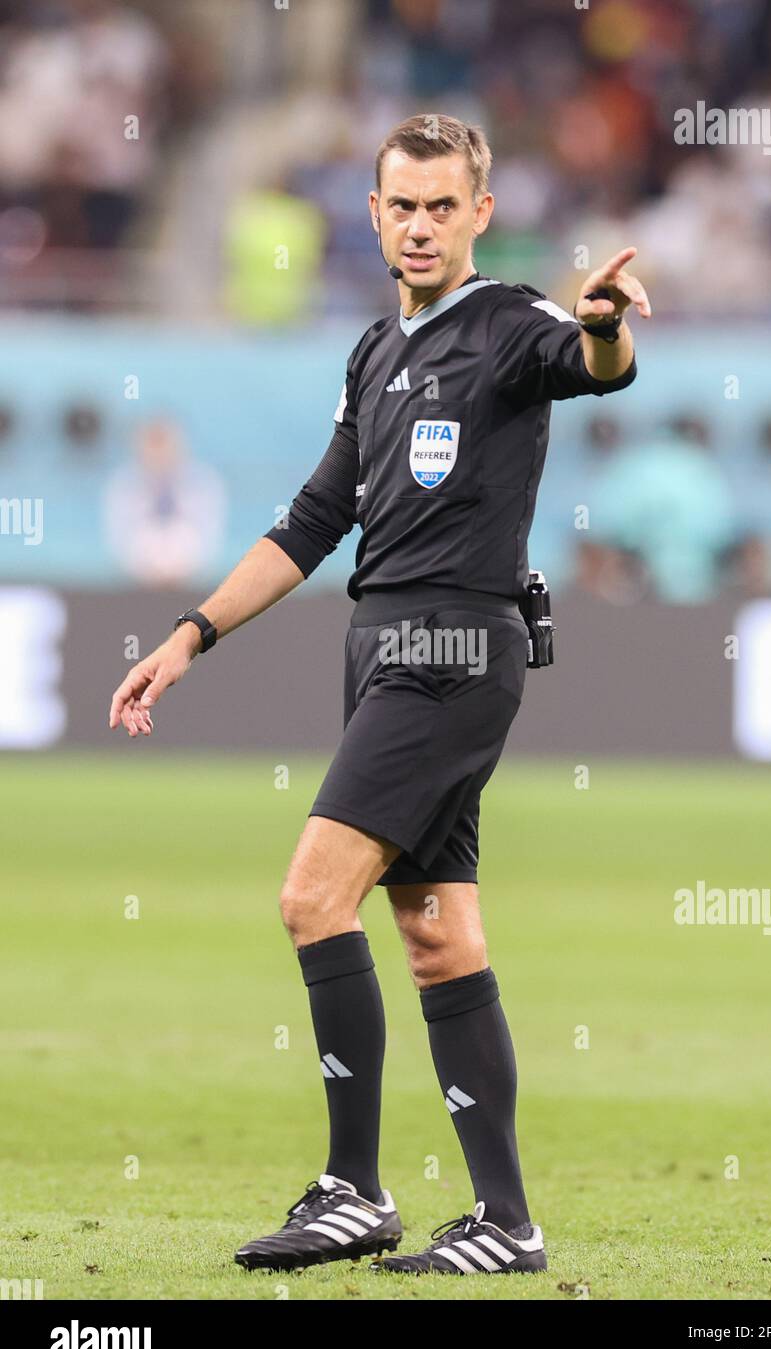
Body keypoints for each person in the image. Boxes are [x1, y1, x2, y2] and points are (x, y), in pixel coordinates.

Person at [108, 113, 648, 1278]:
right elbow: (312, 521)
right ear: (370, 213)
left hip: (450, 651)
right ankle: (506, 1221)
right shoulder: (374, 352)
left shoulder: (510, 323)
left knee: (312, 898)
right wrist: (191, 634)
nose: (418, 226)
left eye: (441, 206)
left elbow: (592, 364)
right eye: (400, 205)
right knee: (437, 935)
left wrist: (601, 328)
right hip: (381, 648)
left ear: (480, 216)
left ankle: (353, 1188)